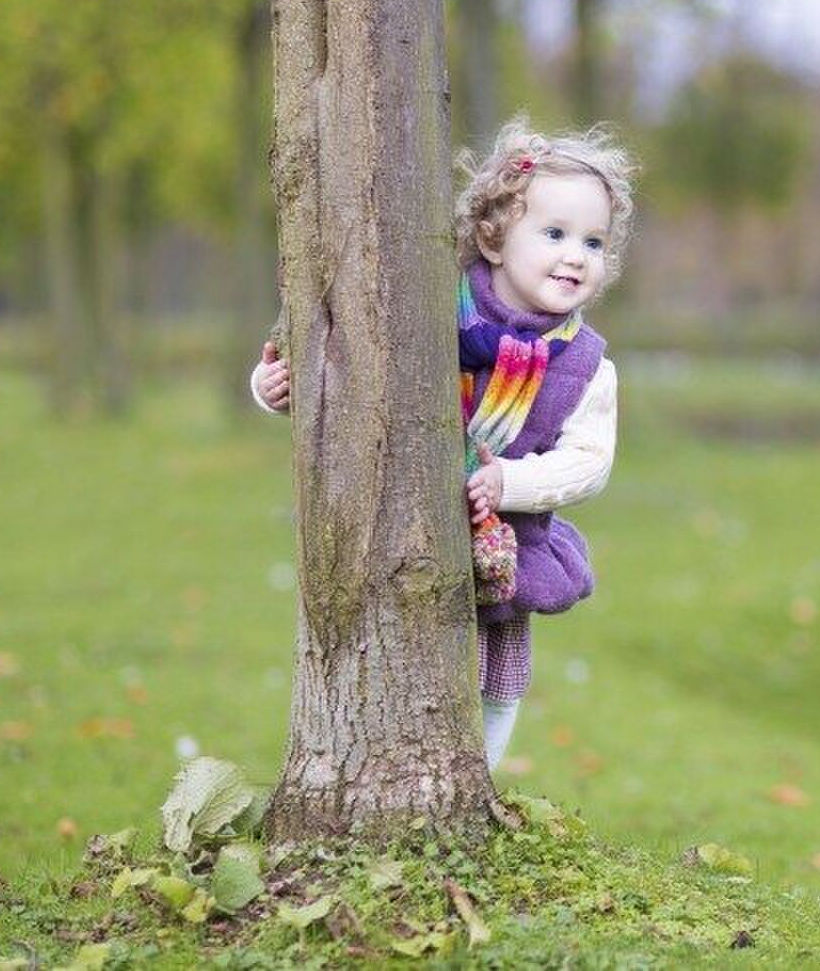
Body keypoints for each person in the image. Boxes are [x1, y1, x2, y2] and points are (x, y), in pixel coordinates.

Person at [250, 116, 634, 772]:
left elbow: (589, 463)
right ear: (492, 238)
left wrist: (512, 482)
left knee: (498, 678)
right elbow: (356, 382)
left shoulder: (585, 365)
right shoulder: (427, 307)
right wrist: (276, 386)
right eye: (554, 233)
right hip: (397, 532)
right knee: (382, 655)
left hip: (503, 552)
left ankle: (473, 778)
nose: (576, 255)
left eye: (594, 242)